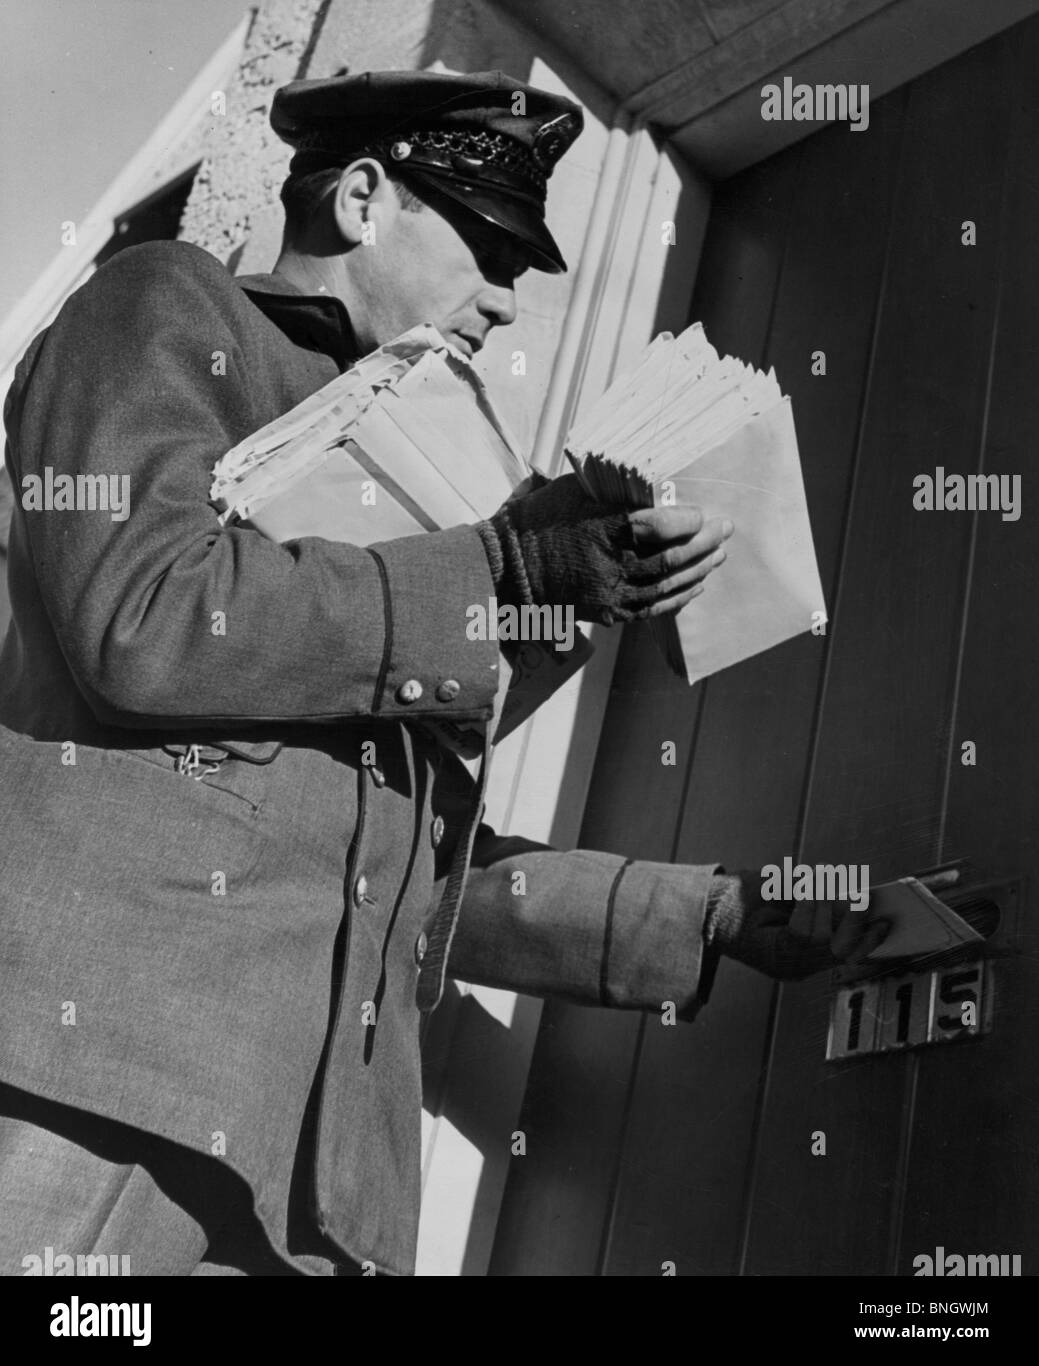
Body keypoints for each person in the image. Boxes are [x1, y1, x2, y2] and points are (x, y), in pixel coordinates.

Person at [0, 69, 885, 1277]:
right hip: (96, 1097)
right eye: (489, 247)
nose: (510, 301)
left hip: (313, 1204)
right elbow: (143, 616)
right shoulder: (165, 304)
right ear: (363, 199)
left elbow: (419, 878)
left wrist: (715, 913)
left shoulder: (418, 494)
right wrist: (504, 567)